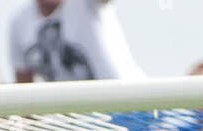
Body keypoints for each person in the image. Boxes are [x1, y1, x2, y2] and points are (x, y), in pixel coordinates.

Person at [10, 0, 144, 82]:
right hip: (76, 122)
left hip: (130, 103)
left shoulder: (87, 3)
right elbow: (24, 79)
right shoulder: (19, 22)